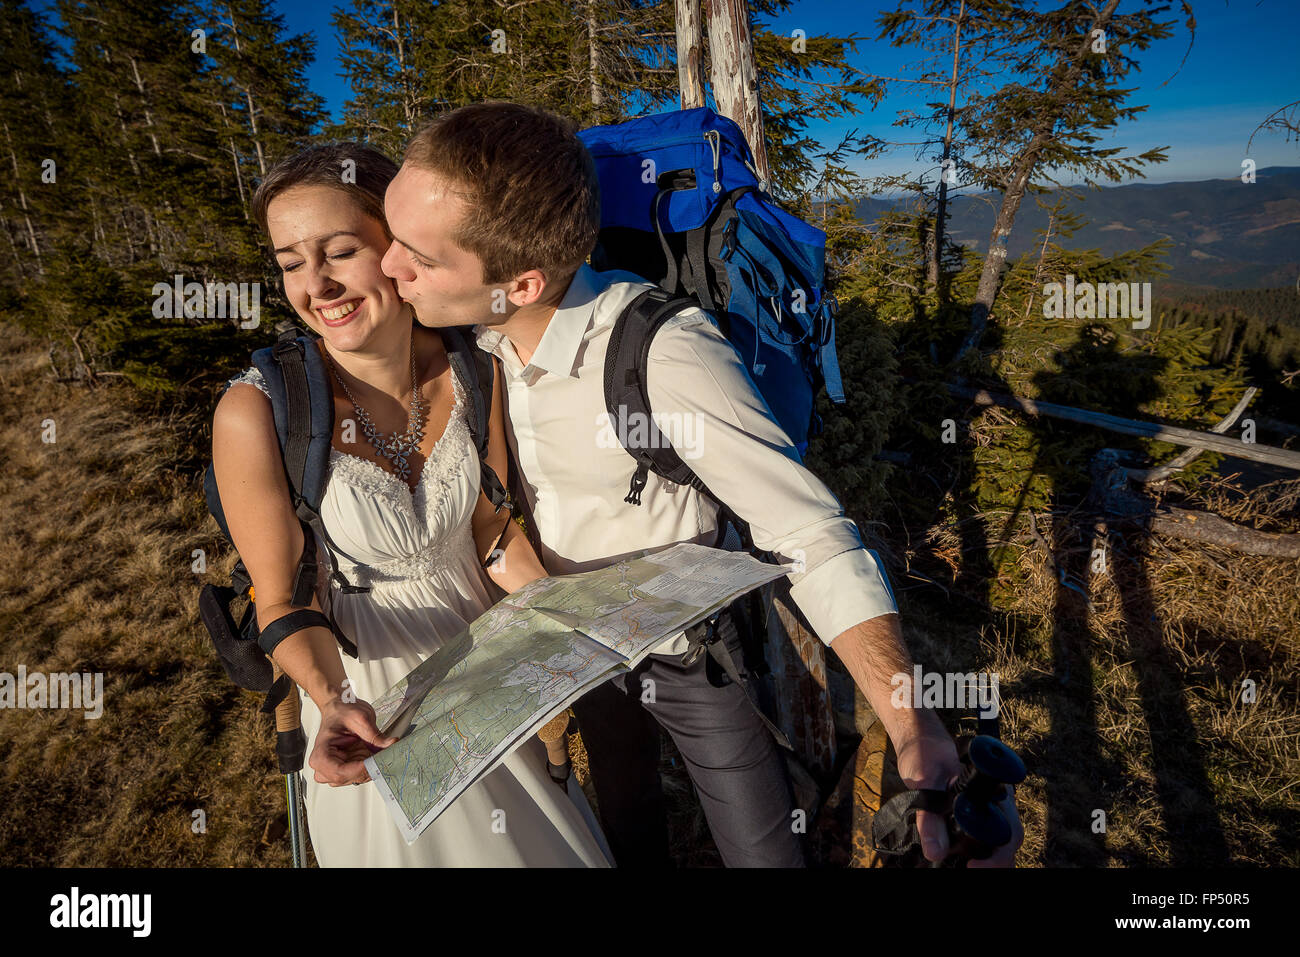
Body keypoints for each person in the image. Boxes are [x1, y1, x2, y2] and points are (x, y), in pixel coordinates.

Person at [375, 102, 1024, 868]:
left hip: (687, 650)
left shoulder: (666, 352)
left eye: (417, 255)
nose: (390, 268)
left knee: (764, 845)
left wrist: (912, 721)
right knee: (626, 810)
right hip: (570, 642)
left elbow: (807, 531)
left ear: (522, 283)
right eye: (391, 239)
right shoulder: (474, 336)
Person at [210, 142, 611, 867]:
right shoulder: (259, 409)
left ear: (398, 247)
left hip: (487, 666)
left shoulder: (477, 364)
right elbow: (280, 597)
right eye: (291, 263)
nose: (317, 286)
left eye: (339, 251)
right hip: (368, 689)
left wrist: (564, 625)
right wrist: (334, 701)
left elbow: (492, 532)